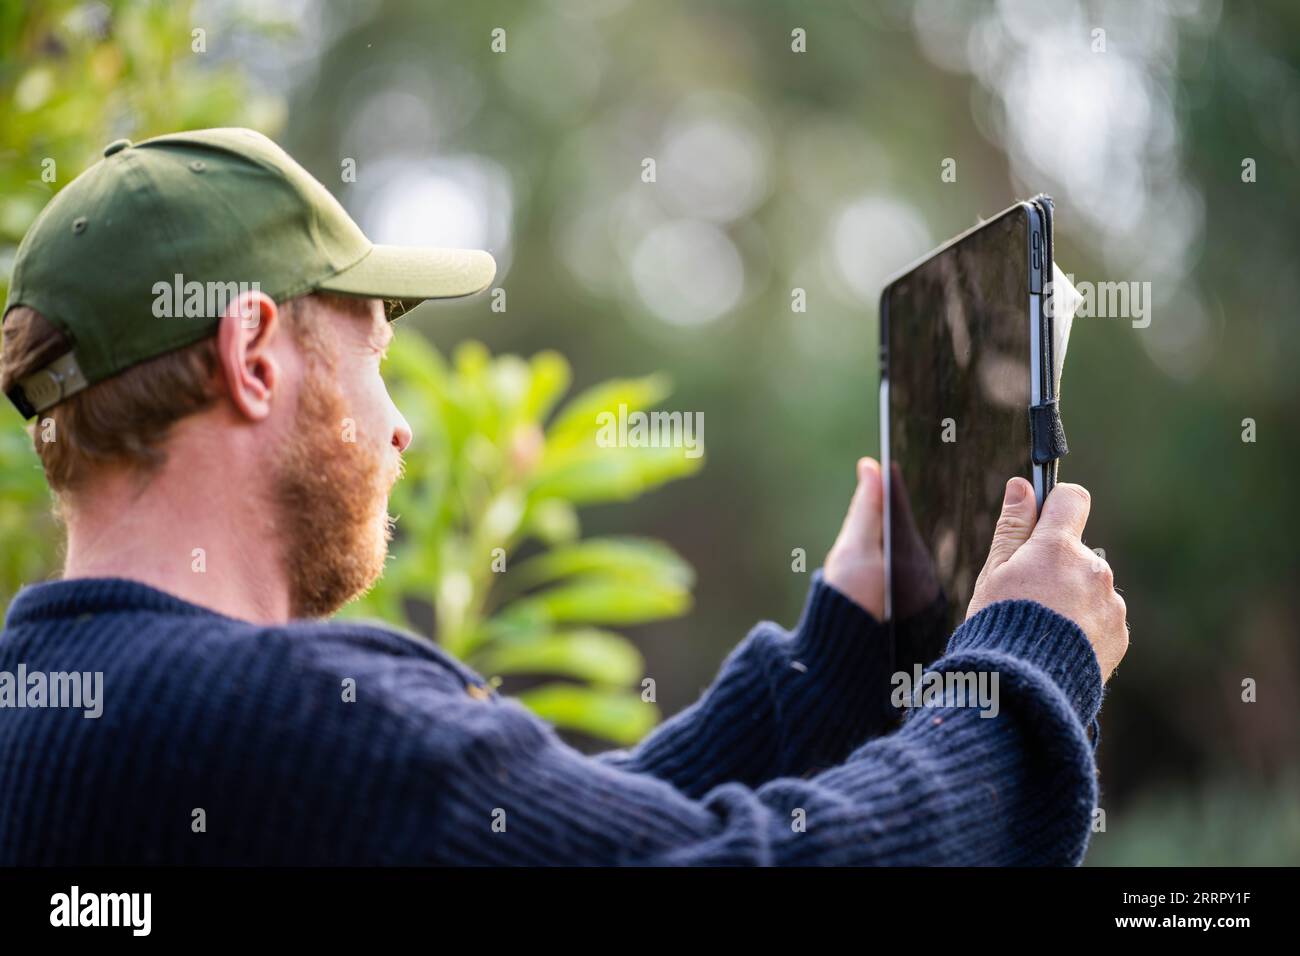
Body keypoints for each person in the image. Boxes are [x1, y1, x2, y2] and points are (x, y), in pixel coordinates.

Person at [0, 129, 1127, 865]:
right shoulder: (295, 719)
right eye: (372, 352)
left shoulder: (52, 705)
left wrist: (834, 653)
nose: (396, 423)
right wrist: (1022, 670)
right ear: (253, 353)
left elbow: (555, 834)